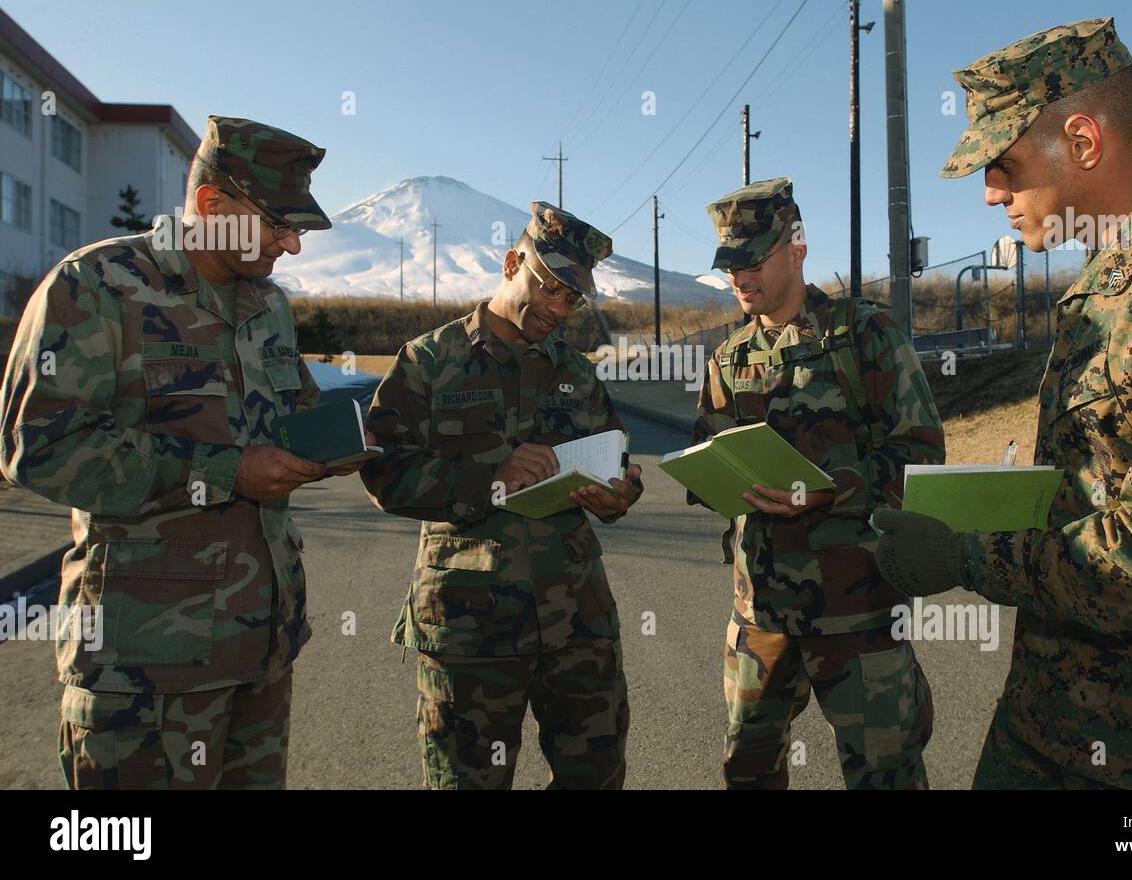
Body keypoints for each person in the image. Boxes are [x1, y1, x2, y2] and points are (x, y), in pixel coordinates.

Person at [872, 17, 1132, 789]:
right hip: (1057, 722)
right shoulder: (1112, 280)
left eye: (1001, 163)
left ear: (1084, 141)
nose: (991, 192)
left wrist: (962, 555)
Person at [0, 115, 352, 788]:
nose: (293, 245)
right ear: (213, 206)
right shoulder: (99, 287)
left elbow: (296, 412)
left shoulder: (267, 304)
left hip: (260, 654)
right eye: (280, 222)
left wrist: (348, 442)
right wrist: (223, 471)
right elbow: (34, 445)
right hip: (145, 673)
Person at [362, 201, 642, 789]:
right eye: (550, 289)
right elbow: (384, 471)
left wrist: (620, 493)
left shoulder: (578, 372)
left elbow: (610, 458)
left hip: (576, 620)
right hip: (470, 627)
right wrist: (492, 473)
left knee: (595, 773)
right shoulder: (430, 361)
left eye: (573, 299)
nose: (559, 309)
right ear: (513, 261)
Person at [692, 177, 945, 789]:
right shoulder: (728, 359)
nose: (738, 278)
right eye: (729, 264)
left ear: (797, 249)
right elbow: (716, 457)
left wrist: (837, 488)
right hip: (760, 613)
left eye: (752, 260)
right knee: (749, 768)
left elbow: (922, 457)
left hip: (856, 610)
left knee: (884, 773)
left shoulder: (866, 337)